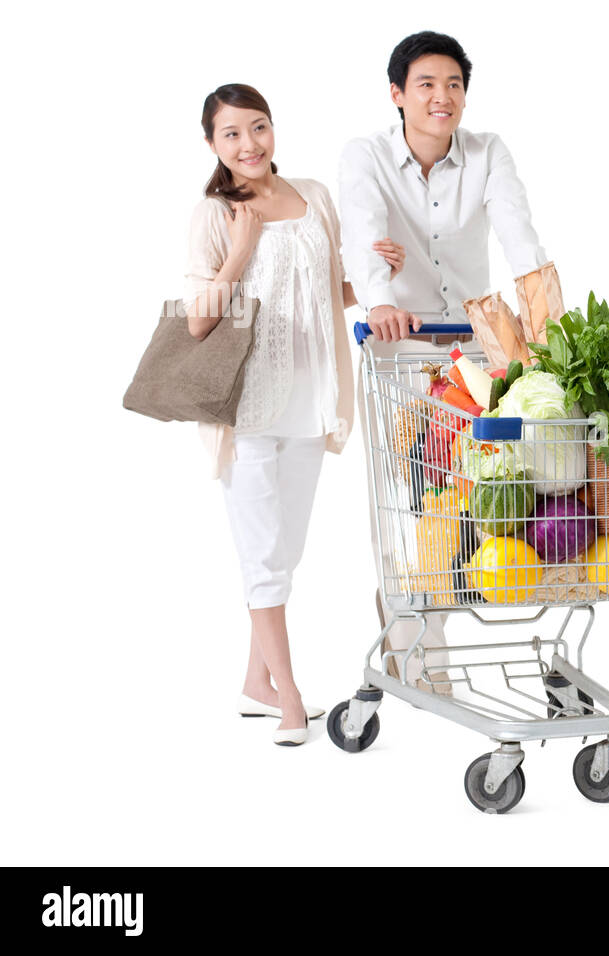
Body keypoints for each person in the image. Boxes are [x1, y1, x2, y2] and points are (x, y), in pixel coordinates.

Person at [184, 84, 405, 746]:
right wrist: (240, 252)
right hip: (247, 408)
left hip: (310, 402)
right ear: (211, 144)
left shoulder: (313, 196)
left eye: (259, 128)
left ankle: (256, 679)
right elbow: (198, 322)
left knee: (285, 553)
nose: (249, 145)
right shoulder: (211, 214)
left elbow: (326, 292)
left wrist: (375, 269)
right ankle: (288, 699)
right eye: (232, 134)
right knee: (263, 559)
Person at [339, 31, 549, 694]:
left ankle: (428, 625)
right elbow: (365, 231)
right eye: (426, 84)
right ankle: (417, 642)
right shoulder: (365, 156)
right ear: (397, 94)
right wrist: (379, 302)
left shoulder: (487, 154)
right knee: (407, 499)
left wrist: (544, 310)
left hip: (470, 353)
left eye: (454, 85)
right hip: (402, 353)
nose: (442, 97)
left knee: (463, 497)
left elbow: (517, 227)